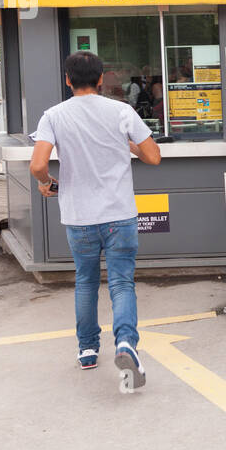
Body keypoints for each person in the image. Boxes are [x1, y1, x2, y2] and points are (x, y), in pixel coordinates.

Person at [30, 52, 162, 386]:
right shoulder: (121, 111)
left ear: (67, 79)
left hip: (79, 217)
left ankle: (88, 350)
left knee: (86, 282)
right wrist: (127, 145)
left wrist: (46, 184)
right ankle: (125, 342)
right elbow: (153, 156)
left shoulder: (53, 116)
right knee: (121, 282)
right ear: (102, 79)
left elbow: (37, 165)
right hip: (120, 214)